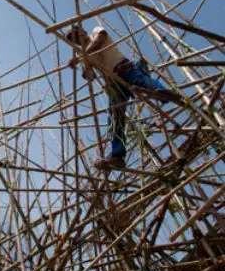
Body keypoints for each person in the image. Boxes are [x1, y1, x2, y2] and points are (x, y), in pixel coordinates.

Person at [66, 25, 181, 169]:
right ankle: (117, 156)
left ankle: (165, 94)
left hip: (124, 69)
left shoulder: (96, 31)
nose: (76, 40)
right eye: (73, 40)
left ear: (83, 31)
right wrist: (85, 71)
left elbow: (99, 41)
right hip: (114, 85)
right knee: (115, 118)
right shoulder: (82, 55)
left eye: (76, 35)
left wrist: (82, 57)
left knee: (141, 81)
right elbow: (89, 74)